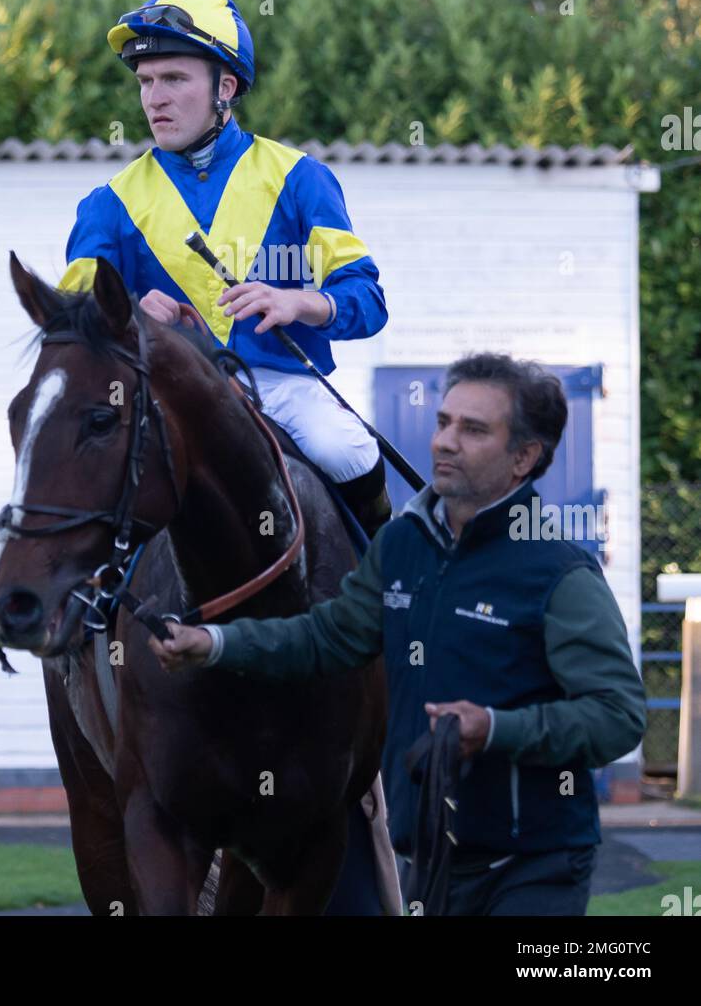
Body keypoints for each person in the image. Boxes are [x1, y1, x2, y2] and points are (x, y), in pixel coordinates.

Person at [149, 352, 648, 917]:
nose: (445, 442)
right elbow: (327, 638)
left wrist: (495, 730)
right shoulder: (403, 545)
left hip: (535, 867)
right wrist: (214, 645)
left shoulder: (559, 571)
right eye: (443, 423)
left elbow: (618, 716)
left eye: (473, 429)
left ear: (524, 458)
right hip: (431, 860)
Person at [57, 0, 392, 537]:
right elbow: (74, 317)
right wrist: (131, 312)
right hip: (164, 393)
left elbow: (368, 302)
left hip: (281, 387)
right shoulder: (108, 203)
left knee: (346, 447)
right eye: (145, 81)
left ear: (225, 88)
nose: (153, 99)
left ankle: (385, 587)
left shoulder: (300, 177)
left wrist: (298, 301)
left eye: (174, 79)